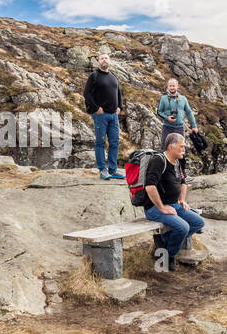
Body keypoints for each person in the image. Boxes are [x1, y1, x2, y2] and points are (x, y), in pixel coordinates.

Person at [134, 131, 207, 273]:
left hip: (174, 205)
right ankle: (170, 255)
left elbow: (183, 182)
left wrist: (181, 200)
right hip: (154, 208)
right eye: (181, 147)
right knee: (183, 228)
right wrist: (161, 207)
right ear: (171, 147)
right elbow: (150, 187)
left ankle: (164, 242)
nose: (184, 149)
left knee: (198, 223)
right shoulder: (159, 160)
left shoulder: (177, 162)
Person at [84, 52, 124, 181]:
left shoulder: (113, 76)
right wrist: (96, 108)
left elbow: (118, 92)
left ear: (109, 60)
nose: (104, 60)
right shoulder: (94, 76)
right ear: (98, 62)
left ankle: (112, 170)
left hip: (114, 116)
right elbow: (87, 94)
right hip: (101, 116)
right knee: (100, 142)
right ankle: (103, 170)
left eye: (106, 58)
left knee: (114, 142)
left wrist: (120, 107)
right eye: (102, 58)